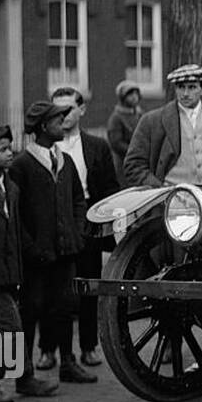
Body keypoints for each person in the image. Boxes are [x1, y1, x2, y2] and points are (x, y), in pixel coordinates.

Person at [8, 100, 94, 385]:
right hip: (36, 256)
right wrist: (30, 247)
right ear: (44, 127)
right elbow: (14, 213)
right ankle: (25, 372)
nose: (64, 125)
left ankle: (68, 363)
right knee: (31, 309)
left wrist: (77, 232)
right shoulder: (21, 165)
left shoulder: (65, 160)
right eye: (58, 121)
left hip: (65, 251)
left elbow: (78, 201)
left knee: (65, 306)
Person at [0, 124, 56, 401]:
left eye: (9, 147)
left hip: (6, 273)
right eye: (2, 150)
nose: (9, 153)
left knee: (11, 326)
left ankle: (22, 379)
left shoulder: (10, 188)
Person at [51, 86, 120, 368]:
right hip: (55, 225)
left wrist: (105, 227)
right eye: (57, 111)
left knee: (89, 287)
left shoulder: (97, 147)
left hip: (87, 223)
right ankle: (48, 349)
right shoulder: (46, 146)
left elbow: (110, 189)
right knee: (55, 291)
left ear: (81, 110)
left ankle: (89, 347)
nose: (63, 116)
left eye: (68, 109)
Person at [124, 64, 202, 191]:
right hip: (172, 204)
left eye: (192, 87)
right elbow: (133, 166)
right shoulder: (152, 121)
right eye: (181, 87)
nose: (185, 94)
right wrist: (158, 190)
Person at [106, 80, 143, 180]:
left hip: (141, 162)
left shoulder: (140, 115)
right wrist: (133, 151)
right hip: (123, 162)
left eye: (136, 93)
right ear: (122, 98)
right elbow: (116, 143)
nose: (134, 96)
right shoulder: (116, 118)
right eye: (130, 94)